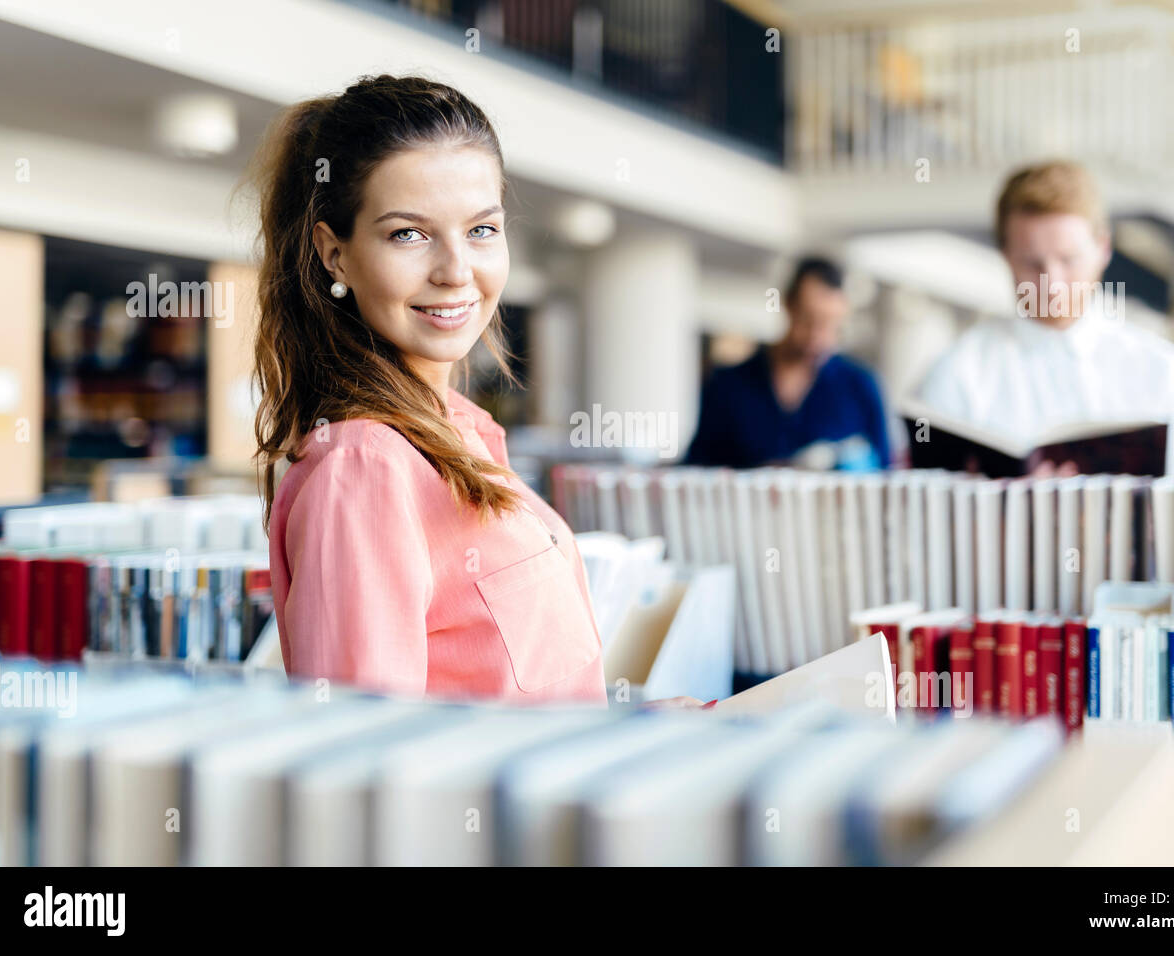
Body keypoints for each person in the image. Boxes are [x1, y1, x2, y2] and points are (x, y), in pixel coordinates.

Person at [249, 75, 704, 708]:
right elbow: (364, 768)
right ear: (335, 255)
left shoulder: (460, 430)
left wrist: (633, 731)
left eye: (482, 230)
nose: (456, 270)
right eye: (407, 233)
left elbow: (507, 706)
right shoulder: (363, 470)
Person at [914, 160, 1174, 476]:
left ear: (1103, 248)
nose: (1051, 284)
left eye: (1068, 259)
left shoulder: (1161, 371)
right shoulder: (958, 374)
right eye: (1032, 263)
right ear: (1005, 255)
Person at [683, 257, 893, 470]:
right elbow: (696, 468)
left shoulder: (862, 387)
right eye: (808, 319)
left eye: (830, 324)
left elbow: (886, 475)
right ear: (788, 305)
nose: (817, 336)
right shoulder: (726, 385)